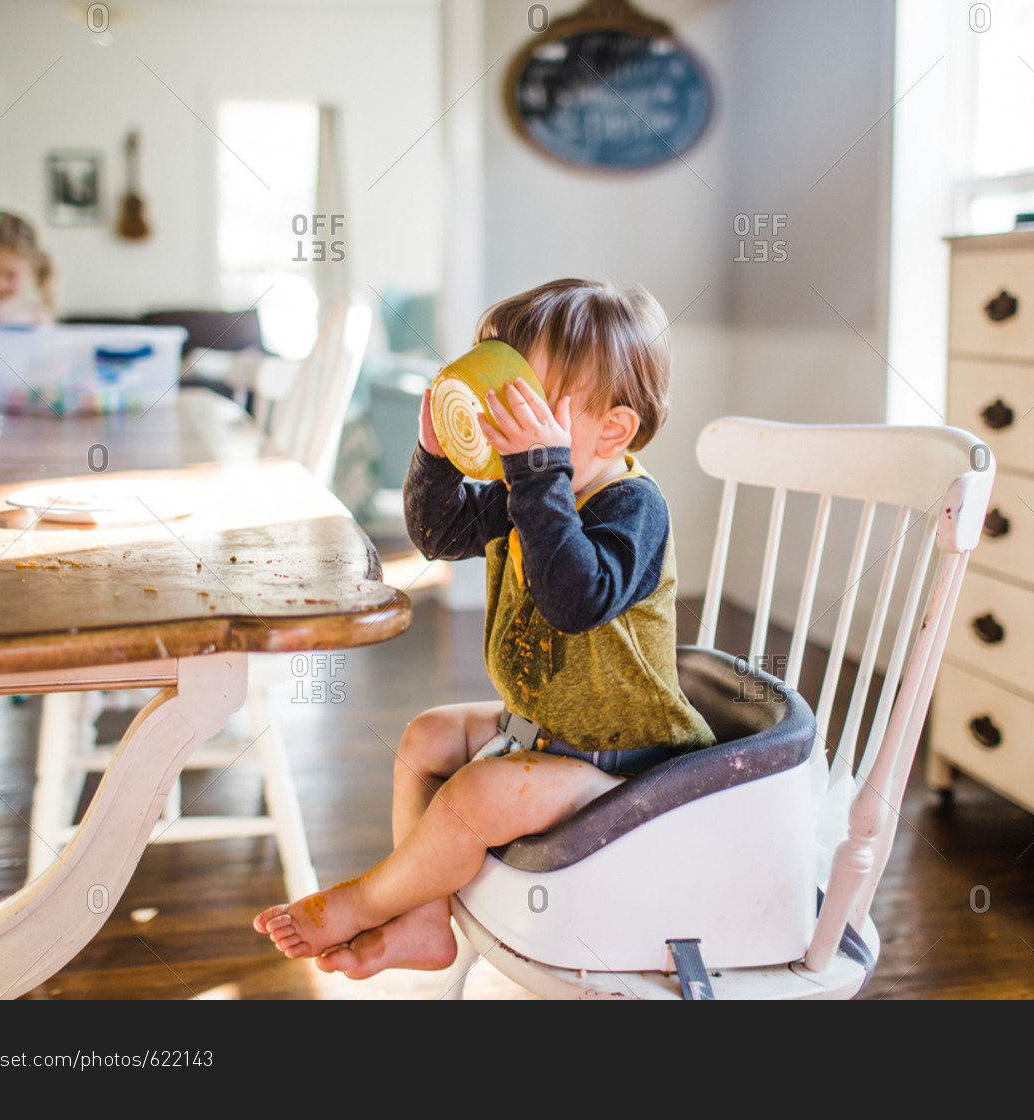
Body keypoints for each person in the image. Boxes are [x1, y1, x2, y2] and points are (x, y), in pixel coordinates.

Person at [253, 278, 715, 977]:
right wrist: (436, 456)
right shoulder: (527, 489)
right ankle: (421, 919)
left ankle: (370, 900)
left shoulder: (631, 508)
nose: (504, 421)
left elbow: (574, 597)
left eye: (526, 403)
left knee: (474, 796)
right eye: (498, 397)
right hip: (543, 729)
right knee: (427, 738)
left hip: (627, 766)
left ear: (612, 429)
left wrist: (537, 478)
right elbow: (439, 535)